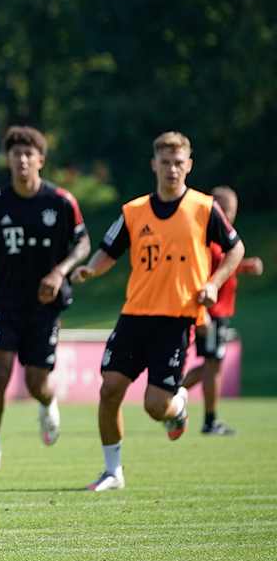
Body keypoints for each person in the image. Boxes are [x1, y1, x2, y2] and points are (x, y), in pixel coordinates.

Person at [73, 131, 244, 492]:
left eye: (178, 162)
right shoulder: (134, 212)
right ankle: (112, 471)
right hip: (135, 313)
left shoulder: (203, 208)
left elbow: (236, 249)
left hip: (176, 318)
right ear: (154, 164)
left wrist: (213, 283)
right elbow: (107, 250)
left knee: (155, 405)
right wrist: (92, 269)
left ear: (189, 165)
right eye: (165, 162)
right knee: (110, 389)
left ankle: (177, 405)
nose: (172, 169)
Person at [0, 126, 90, 472]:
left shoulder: (61, 201)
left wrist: (60, 271)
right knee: (0, 371)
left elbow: (83, 243)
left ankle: (48, 403)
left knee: (36, 382)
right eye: (15, 154)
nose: (21, 160)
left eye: (28, 154)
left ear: (40, 161)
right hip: (5, 301)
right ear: (8, 160)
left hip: (45, 304)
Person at [181, 186, 264, 435]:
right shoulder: (209, 237)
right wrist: (203, 310)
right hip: (211, 310)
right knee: (212, 364)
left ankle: (174, 395)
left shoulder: (221, 236)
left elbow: (223, 268)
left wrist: (244, 267)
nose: (229, 216)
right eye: (227, 210)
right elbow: (201, 273)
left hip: (221, 309)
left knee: (212, 363)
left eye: (232, 211)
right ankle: (204, 417)